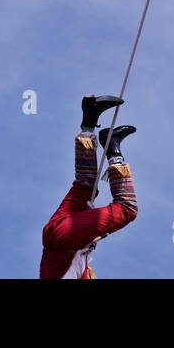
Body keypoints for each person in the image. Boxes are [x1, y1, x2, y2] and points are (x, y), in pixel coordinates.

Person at [39, 94, 138, 279]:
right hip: (55, 233)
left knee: (127, 209)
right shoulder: (80, 271)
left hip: (66, 240)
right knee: (85, 186)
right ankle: (89, 120)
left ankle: (114, 151)